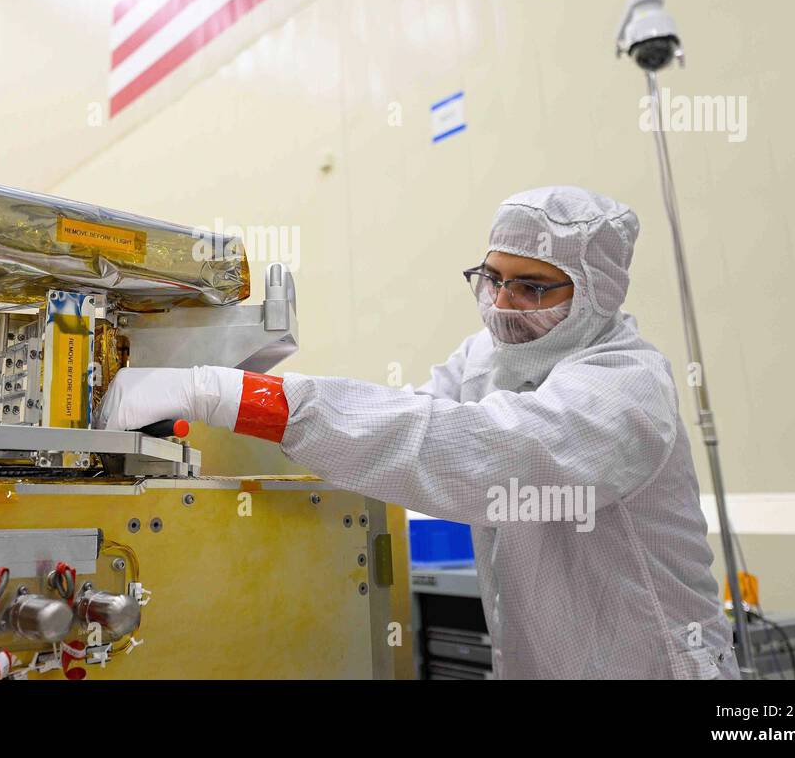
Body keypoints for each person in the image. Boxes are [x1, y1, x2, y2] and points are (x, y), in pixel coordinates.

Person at [98, 186, 738, 679]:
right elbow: (403, 431)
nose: (501, 304)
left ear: (597, 292)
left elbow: (482, 454)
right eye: (490, 278)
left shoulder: (626, 387)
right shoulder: (485, 358)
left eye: (532, 287)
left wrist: (223, 393)